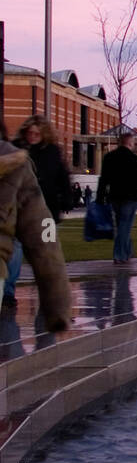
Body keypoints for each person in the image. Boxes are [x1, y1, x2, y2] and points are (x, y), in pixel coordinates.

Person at [0, 120, 72, 328]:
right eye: (30, 133)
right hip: (29, 209)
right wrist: (57, 308)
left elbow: (62, 178)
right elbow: (47, 250)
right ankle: (8, 290)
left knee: (17, 251)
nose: (32, 136)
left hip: (38, 206)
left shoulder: (49, 154)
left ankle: (9, 291)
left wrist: (64, 200)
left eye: (36, 133)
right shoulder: (15, 157)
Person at [97, 130, 137, 264]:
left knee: (121, 225)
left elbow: (104, 179)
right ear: (129, 143)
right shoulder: (135, 160)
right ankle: (120, 255)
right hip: (130, 197)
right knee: (125, 226)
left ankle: (127, 252)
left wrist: (101, 196)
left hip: (115, 196)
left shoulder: (109, 158)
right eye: (133, 143)